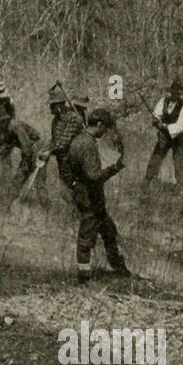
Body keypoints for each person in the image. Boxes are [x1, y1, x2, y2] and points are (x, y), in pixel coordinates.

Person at [65, 108, 130, 283]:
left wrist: (73, 184)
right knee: (86, 239)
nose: (105, 131)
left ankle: (119, 269)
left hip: (89, 197)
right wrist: (114, 168)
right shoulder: (87, 144)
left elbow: (67, 168)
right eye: (105, 127)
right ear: (99, 124)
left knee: (109, 231)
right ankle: (84, 279)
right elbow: (94, 176)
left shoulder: (79, 140)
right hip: (90, 199)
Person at [34, 86, 86, 197]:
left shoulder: (74, 118)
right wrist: (45, 149)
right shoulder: (56, 120)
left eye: (51, 105)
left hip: (74, 160)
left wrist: (49, 152)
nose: (49, 108)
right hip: (63, 159)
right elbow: (55, 140)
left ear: (58, 106)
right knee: (66, 189)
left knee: (73, 188)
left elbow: (64, 141)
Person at [144, 80, 183, 187]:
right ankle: (146, 184)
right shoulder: (163, 101)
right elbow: (156, 114)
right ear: (171, 92)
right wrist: (155, 121)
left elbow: (181, 126)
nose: (175, 95)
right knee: (155, 159)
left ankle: (182, 187)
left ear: (180, 94)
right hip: (164, 137)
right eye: (173, 92)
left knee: (179, 164)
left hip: (178, 138)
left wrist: (165, 127)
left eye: (177, 93)